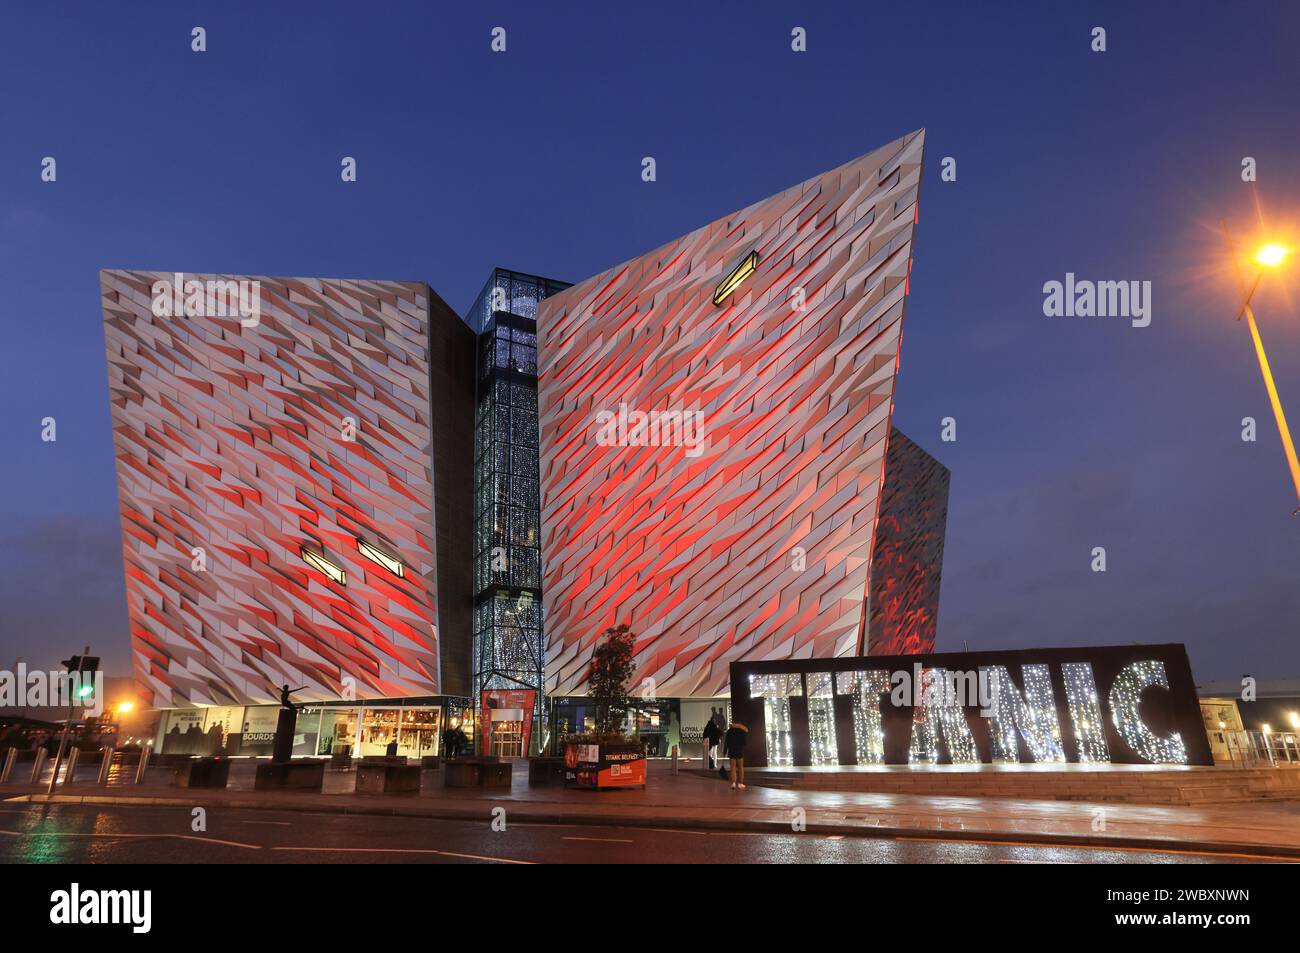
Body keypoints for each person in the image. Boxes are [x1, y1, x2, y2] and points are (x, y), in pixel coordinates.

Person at [723, 720, 749, 790]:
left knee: (733, 767)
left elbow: (726, 742)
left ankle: (733, 783)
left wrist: (724, 751)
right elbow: (744, 742)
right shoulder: (741, 731)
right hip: (739, 750)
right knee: (740, 767)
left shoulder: (729, 731)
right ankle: (740, 783)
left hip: (731, 750)